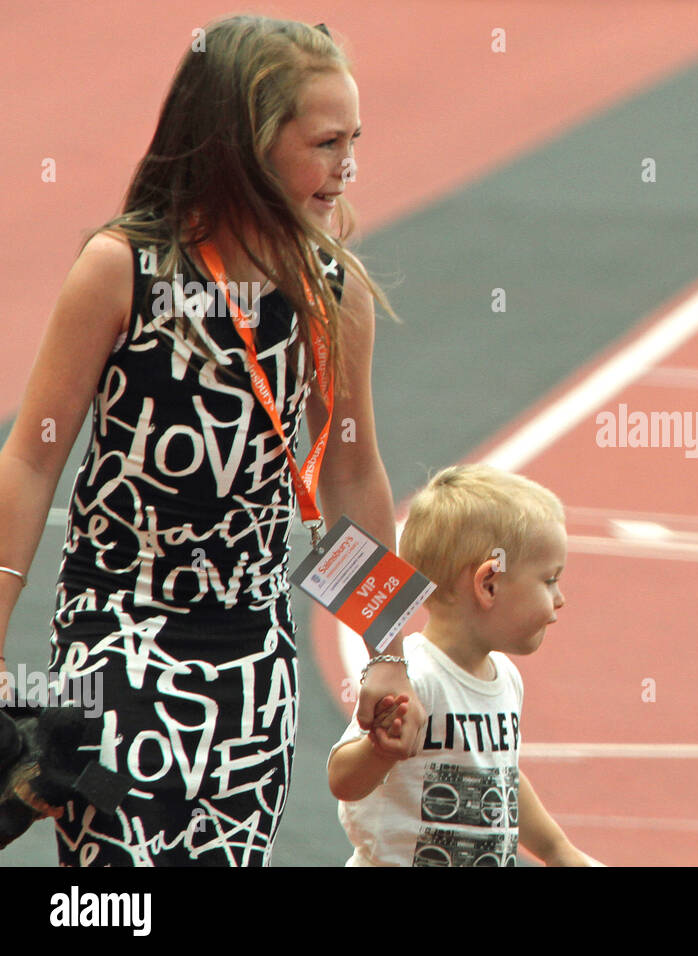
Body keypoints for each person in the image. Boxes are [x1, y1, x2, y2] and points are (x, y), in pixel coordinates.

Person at [0, 16, 422, 865]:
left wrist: (388, 654)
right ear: (245, 147)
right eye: (326, 142)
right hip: (116, 646)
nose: (348, 167)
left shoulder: (329, 290)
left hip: (255, 668)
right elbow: (30, 458)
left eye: (356, 141)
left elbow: (349, 474)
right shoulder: (123, 269)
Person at [328, 464, 598, 866]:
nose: (560, 598)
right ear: (489, 584)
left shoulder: (505, 678)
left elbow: (501, 779)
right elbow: (341, 779)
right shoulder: (416, 678)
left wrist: (559, 852)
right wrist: (377, 751)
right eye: (549, 580)